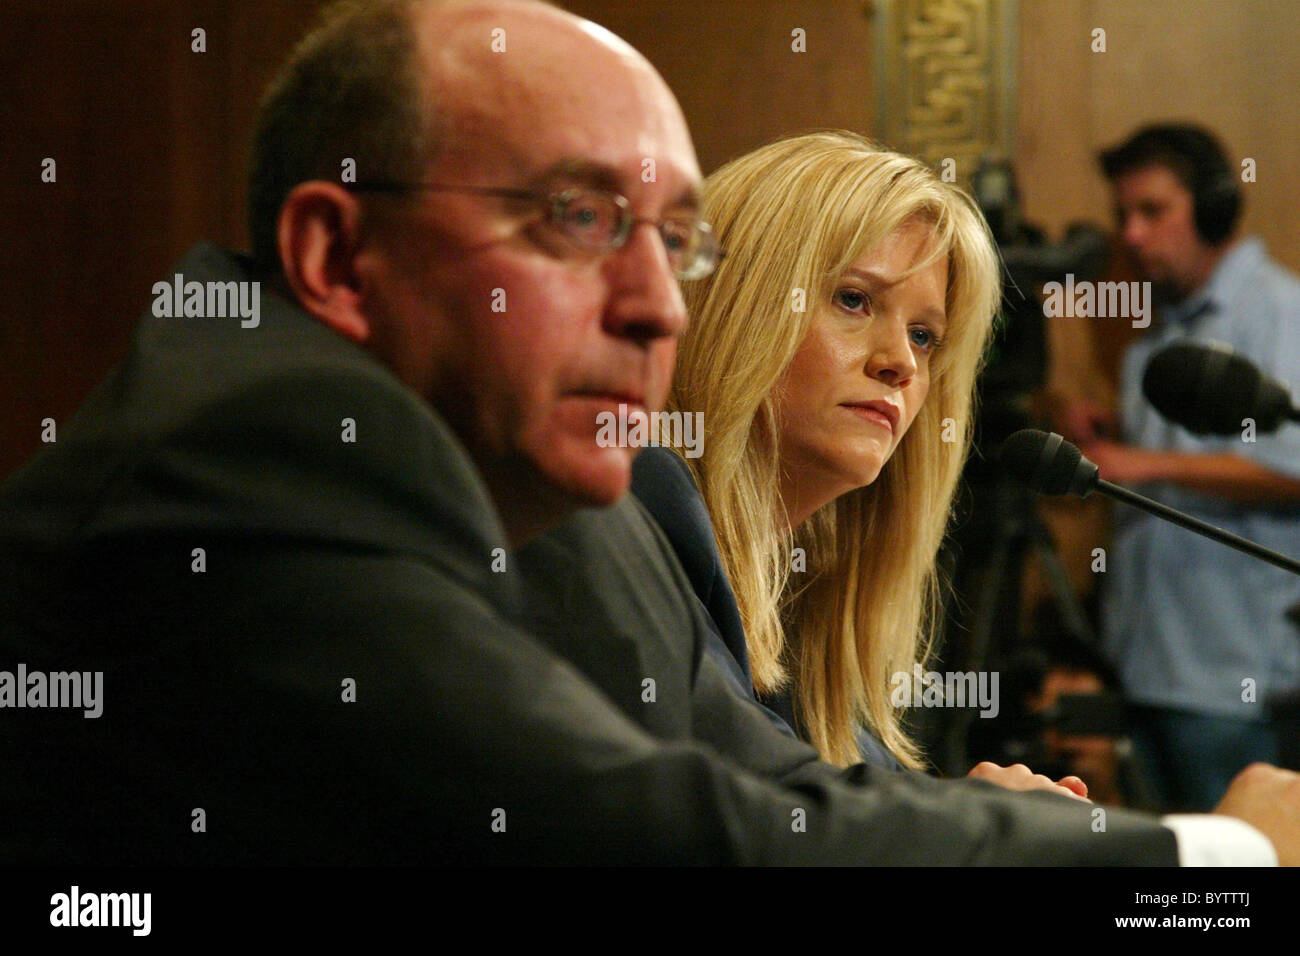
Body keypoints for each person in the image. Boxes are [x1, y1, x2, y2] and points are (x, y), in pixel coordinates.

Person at [0, 0, 1290, 864]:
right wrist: (1210, 855)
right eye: (578, 218)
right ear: (337, 256)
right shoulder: (261, 437)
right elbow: (652, 832)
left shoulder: (561, 505)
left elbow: (765, 791)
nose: (656, 301)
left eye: (676, 243)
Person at [633, 132, 1086, 801]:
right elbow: (764, 827)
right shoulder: (645, 510)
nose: (900, 362)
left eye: (924, 335)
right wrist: (984, 827)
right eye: (854, 299)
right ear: (735, 305)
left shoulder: (810, 591)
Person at [1055, 123, 1300, 812]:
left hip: (1231, 680)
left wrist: (1136, 461)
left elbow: (1293, 462)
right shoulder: (1151, 343)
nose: (1131, 235)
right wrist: (1110, 434)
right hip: (1145, 668)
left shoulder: (1282, 313)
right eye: (1122, 215)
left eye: (1153, 211)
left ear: (1215, 210)